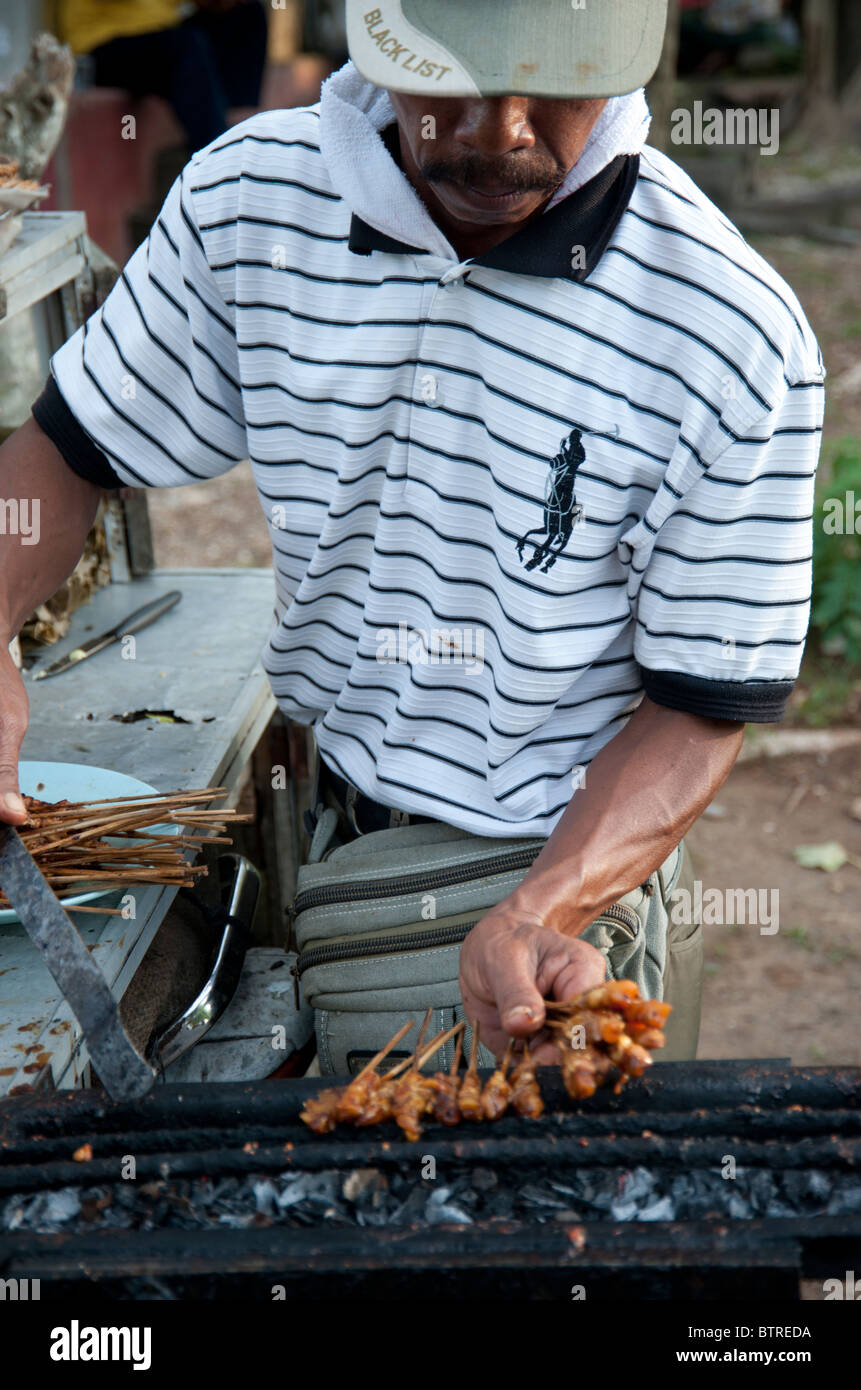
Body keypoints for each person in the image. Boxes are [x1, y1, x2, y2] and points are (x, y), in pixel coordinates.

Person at [0, 1, 824, 1064]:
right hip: (334, 837)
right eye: (450, 76)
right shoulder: (251, 203)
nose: (499, 128)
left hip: (574, 875)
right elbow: (68, 449)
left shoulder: (728, 329)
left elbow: (700, 709)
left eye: (553, 81)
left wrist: (544, 908)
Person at [57, 0, 268, 152]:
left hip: (163, 37)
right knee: (186, 46)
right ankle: (218, 163)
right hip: (102, 46)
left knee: (248, 14)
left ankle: (237, 135)